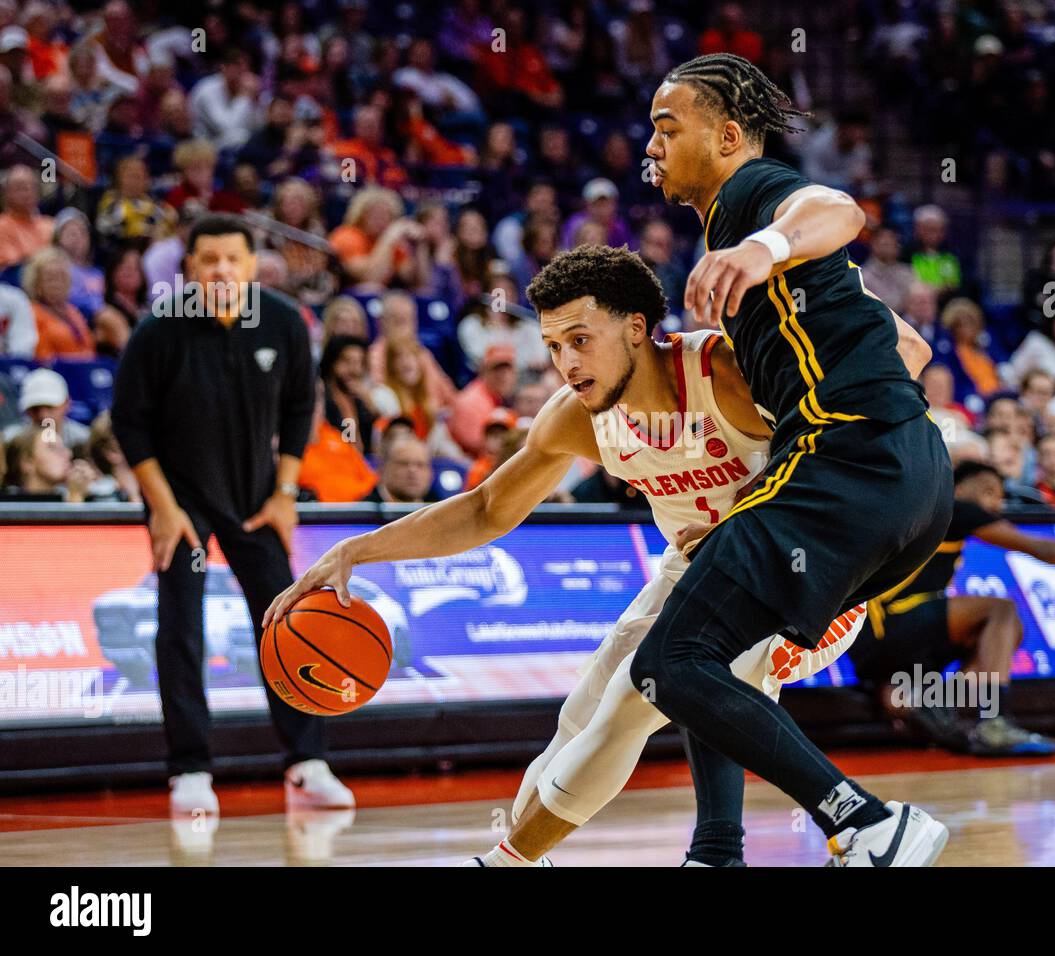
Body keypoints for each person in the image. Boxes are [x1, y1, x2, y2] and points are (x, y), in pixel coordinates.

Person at [265, 245, 933, 868]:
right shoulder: (577, 415)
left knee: (633, 697)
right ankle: (643, 851)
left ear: (637, 329)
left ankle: (513, 863)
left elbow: (907, 353)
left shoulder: (726, 371)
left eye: (581, 340)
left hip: (805, 570)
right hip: (701, 569)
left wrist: (756, 501)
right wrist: (358, 550)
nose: (566, 362)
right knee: (579, 717)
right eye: (554, 345)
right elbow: (486, 509)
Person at [634, 53, 953, 867]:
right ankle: (717, 850)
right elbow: (908, 344)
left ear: (729, 135)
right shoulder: (737, 242)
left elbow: (838, 206)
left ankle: (870, 822)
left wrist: (766, 246)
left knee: (668, 662)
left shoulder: (751, 196)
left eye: (668, 129)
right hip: (907, 473)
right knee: (703, 643)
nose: (653, 146)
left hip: (846, 463)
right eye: (650, 132)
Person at [110, 215, 351, 817]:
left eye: (231, 260)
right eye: (208, 260)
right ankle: (189, 769)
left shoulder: (281, 322)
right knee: (182, 628)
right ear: (189, 268)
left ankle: (306, 761)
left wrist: (286, 494)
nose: (220, 270)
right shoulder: (159, 330)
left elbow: (301, 407)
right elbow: (129, 424)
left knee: (287, 624)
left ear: (251, 266)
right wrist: (162, 509)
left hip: (256, 500)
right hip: (183, 502)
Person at [850, 460, 1055, 756]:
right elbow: (1040, 548)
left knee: (906, 695)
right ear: (962, 486)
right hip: (887, 622)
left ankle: (927, 704)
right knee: (1002, 614)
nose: (997, 502)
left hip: (866, 646)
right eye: (989, 491)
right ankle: (994, 719)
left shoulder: (920, 514)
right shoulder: (955, 507)